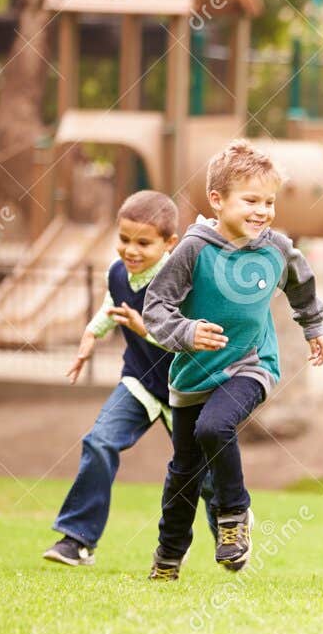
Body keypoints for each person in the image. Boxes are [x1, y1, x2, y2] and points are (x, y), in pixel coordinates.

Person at [143, 140, 323, 580]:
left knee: (215, 426)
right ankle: (168, 555)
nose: (262, 211)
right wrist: (187, 332)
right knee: (184, 472)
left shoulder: (277, 248)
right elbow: (156, 308)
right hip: (193, 375)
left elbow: (301, 284)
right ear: (217, 200)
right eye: (251, 200)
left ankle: (233, 517)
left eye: (269, 201)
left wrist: (314, 328)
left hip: (252, 364)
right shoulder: (193, 250)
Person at [44, 190, 214, 566]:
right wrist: (91, 336)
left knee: (206, 479)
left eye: (143, 243)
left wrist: (146, 330)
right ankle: (76, 540)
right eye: (124, 239)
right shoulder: (118, 272)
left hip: (183, 390)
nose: (131, 251)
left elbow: (193, 341)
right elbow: (112, 306)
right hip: (138, 384)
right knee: (99, 442)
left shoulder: (180, 280)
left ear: (170, 243)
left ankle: (232, 537)